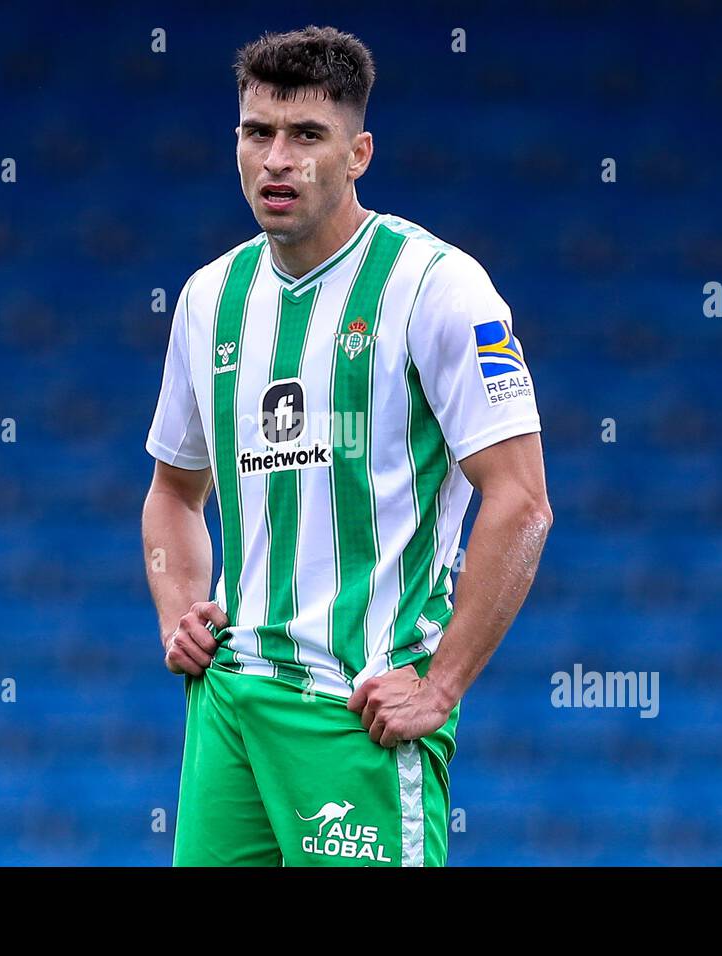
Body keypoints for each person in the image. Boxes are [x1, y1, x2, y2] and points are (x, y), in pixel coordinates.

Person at [142, 25, 552, 866]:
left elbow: (522, 502)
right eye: (258, 133)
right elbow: (173, 494)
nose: (277, 160)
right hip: (232, 705)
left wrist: (442, 686)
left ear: (358, 151)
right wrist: (179, 608)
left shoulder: (438, 286)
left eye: (307, 136)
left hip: (354, 711)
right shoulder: (207, 299)